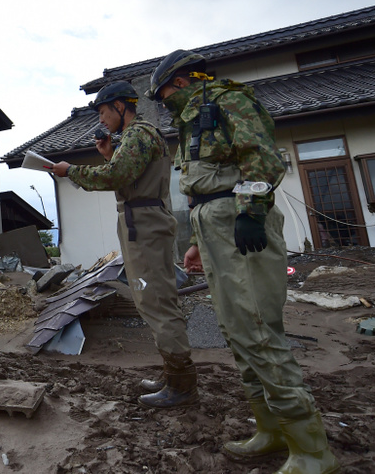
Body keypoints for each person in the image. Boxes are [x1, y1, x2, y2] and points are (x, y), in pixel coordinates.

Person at [147, 49, 339, 474]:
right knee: (236, 331)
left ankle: (311, 450)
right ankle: (271, 429)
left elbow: (263, 159)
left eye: (163, 96)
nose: (163, 105)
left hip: (239, 220)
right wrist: (197, 239)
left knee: (256, 328)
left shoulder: (227, 101)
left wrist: (252, 211)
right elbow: (202, 186)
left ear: (179, 82)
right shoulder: (193, 117)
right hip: (214, 223)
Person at [49, 81, 197, 409]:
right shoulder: (133, 138)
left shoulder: (139, 134)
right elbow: (124, 172)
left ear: (120, 107)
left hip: (144, 223)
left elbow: (117, 175)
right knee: (150, 299)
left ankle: (182, 383)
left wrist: (71, 171)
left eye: (103, 112)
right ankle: (173, 375)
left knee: (156, 301)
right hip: (138, 221)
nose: (101, 120)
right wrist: (109, 155)